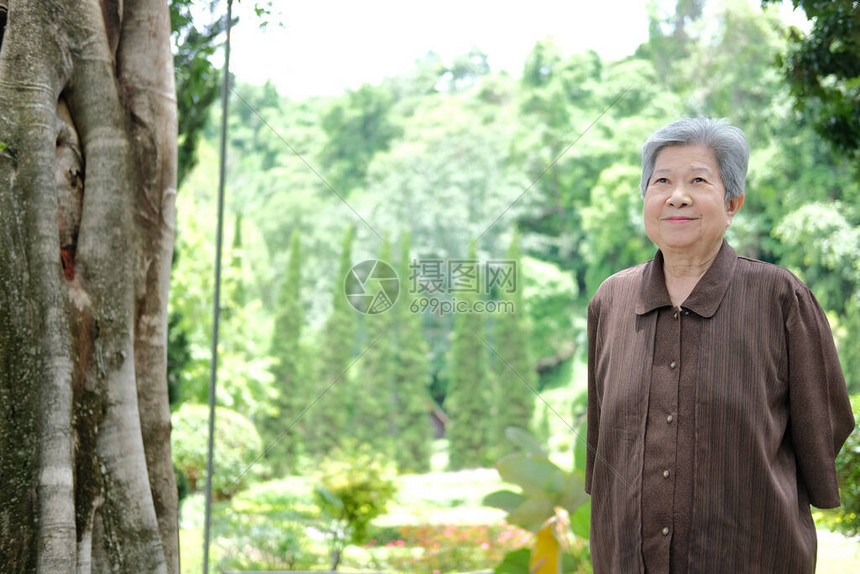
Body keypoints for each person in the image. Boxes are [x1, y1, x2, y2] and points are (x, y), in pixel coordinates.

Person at [585, 117, 855, 573]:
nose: (677, 196)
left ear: (732, 203)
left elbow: (824, 427)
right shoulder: (610, 300)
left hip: (752, 557)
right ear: (646, 198)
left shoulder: (780, 298)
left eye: (697, 180)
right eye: (662, 181)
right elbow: (602, 441)